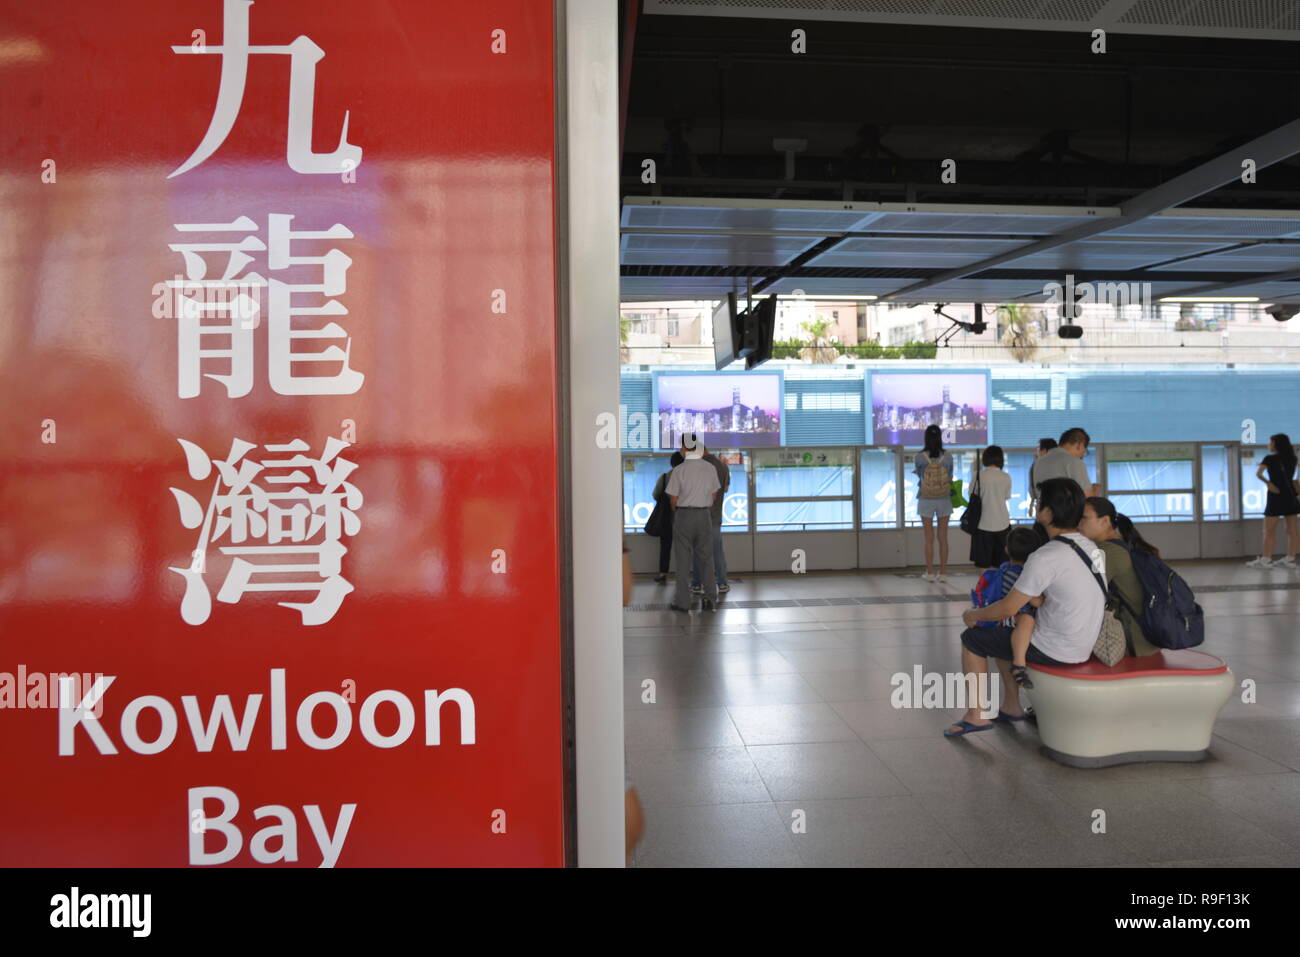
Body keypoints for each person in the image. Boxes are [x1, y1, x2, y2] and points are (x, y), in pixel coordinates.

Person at [944, 478, 1105, 736]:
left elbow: (1007, 608)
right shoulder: (1091, 548)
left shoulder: (1045, 556)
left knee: (973, 638)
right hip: (1083, 643)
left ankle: (975, 715)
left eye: (1039, 502)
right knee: (1004, 637)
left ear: (1050, 512)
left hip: (1055, 648)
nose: (1036, 505)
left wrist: (972, 615)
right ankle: (1011, 706)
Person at [1078, 497, 1160, 658]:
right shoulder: (1121, 544)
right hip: (1147, 638)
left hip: (1130, 642)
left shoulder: (1107, 551)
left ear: (1105, 521)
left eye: (1084, 517)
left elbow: (1086, 593)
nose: (1078, 523)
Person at [665, 433, 721, 611]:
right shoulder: (709, 468)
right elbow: (714, 495)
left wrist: (680, 510)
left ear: (687, 448)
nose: (680, 450)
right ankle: (710, 599)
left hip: (684, 515)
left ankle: (682, 602)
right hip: (704, 515)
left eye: (681, 447)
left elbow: (673, 499)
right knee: (706, 559)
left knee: (682, 561)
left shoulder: (679, 470)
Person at [1246, 433, 1299, 569]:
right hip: (1290, 496)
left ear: (1276, 444)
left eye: (1270, 442)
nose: (1268, 445)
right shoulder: (1293, 459)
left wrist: (1268, 483)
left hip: (1275, 495)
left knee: (1269, 530)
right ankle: (1290, 558)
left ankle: (1266, 559)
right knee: (1292, 530)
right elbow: (1294, 479)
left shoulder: (1269, 458)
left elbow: (1259, 474)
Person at [689, 444, 732, 594]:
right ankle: (722, 583)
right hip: (715, 516)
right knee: (717, 551)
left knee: (698, 551)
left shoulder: (699, 466)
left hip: (699, 514)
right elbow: (726, 488)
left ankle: (697, 583)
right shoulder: (723, 466)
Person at [914, 424, 954, 582]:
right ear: (940, 437)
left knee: (928, 537)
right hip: (944, 498)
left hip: (926, 498)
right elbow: (950, 476)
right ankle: (943, 573)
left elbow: (920, 476)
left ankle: (929, 572)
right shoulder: (948, 457)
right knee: (943, 537)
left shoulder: (919, 457)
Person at [970, 445, 1012, 570]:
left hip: (982, 523)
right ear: (1000, 459)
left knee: (983, 563)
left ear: (985, 458)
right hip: (1002, 523)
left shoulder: (977, 475)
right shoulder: (1006, 477)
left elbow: (971, 495)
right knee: (1002, 563)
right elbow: (1006, 496)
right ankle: (998, 588)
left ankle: (984, 588)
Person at [1031, 428, 1098, 499]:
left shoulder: (1039, 462)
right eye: (1085, 450)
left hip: (1045, 508)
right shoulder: (1074, 462)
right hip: (1068, 509)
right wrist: (1095, 491)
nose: (1083, 454)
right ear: (1080, 445)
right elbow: (1087, 497)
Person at [650, 451, 684, 583]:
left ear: (671, 463)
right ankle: (683, 575)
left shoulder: (664, 477)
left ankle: (663, 574)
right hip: (684, 516)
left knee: (665, 546)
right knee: (684, 548)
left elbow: (655, 495)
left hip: (666, 518)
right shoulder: (688, 476)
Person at [1027, 437, 1057, 517]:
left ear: (1044, 451)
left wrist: (1032, 503)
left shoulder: (1037, 465)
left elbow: (1033, 487)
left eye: (1038, 449)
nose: (1036, 451)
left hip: (1045, 505)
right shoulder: (1059, 464)